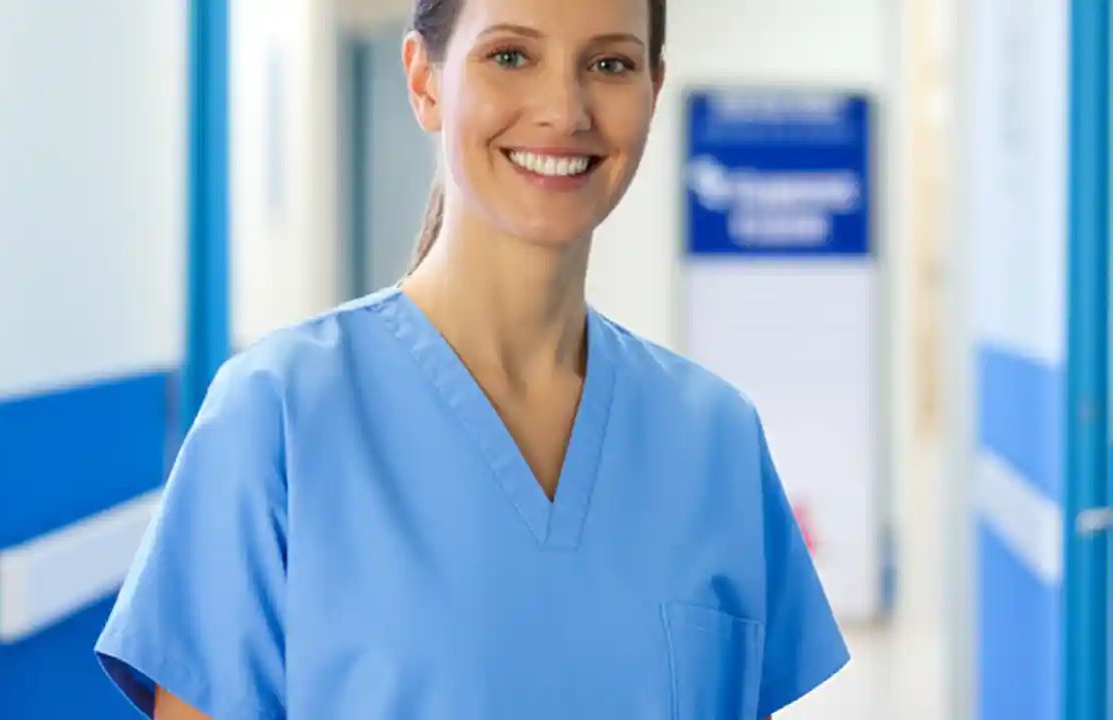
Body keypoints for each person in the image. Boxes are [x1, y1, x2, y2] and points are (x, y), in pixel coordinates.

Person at [95, 0, 849, 717]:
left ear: (654, 89)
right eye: (511, 55)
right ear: (426, 81)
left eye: (610, 65)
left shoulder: (714, 437)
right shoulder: (278, 413)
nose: (564, 110)